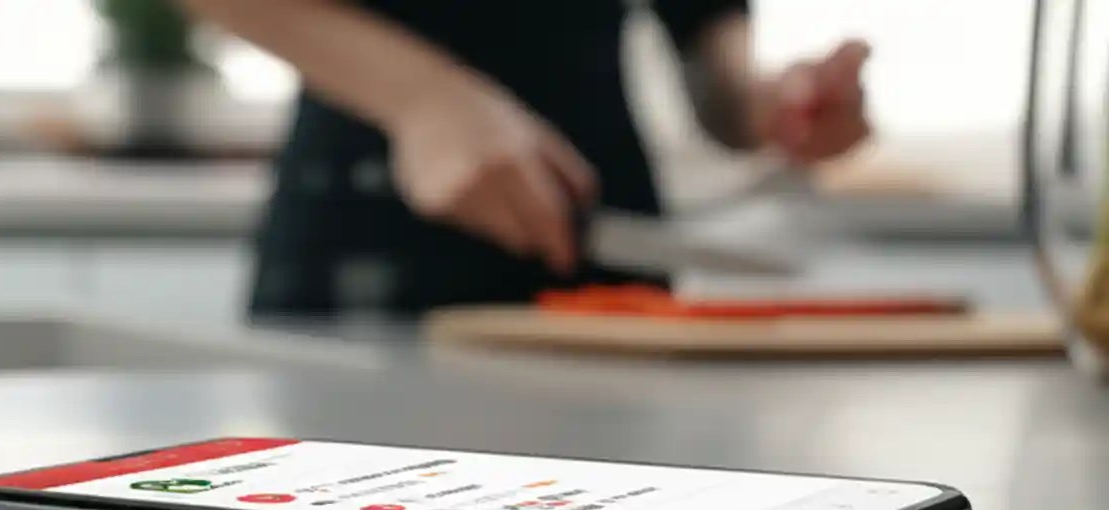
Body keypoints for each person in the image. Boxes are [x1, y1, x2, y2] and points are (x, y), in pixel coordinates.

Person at [180, 0, 871, 315]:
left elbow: (708, 43)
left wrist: (775, 106)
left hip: (604, 274)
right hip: (367, 251)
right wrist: (423, 99)